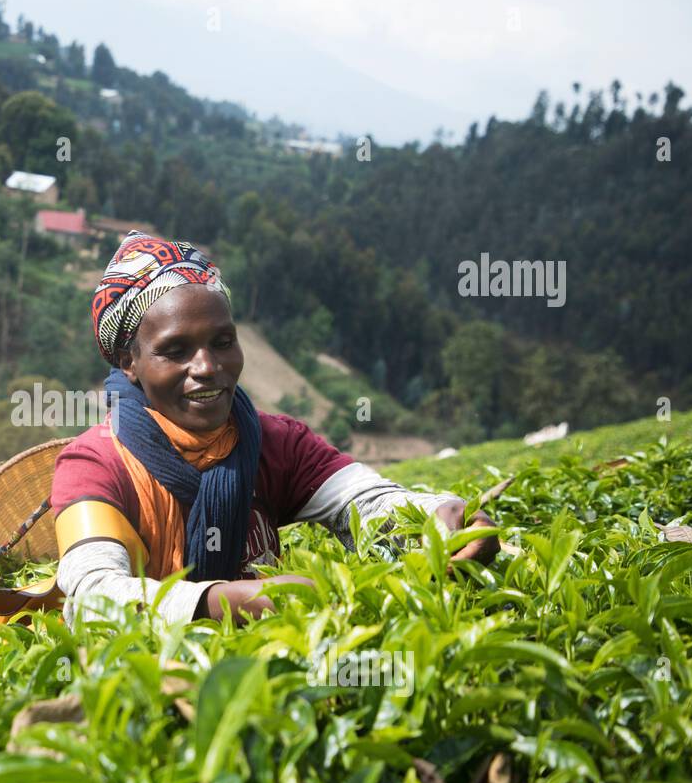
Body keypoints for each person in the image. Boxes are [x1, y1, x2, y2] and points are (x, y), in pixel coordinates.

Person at [50, 230, 498, 628]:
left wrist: (435, 518)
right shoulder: (95, 464)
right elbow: (93, 597)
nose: (207, 367)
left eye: (222, 342)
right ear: (129, 362)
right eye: (176, 350)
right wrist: (222, 602)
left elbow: (366, 501)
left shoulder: (275, 443)